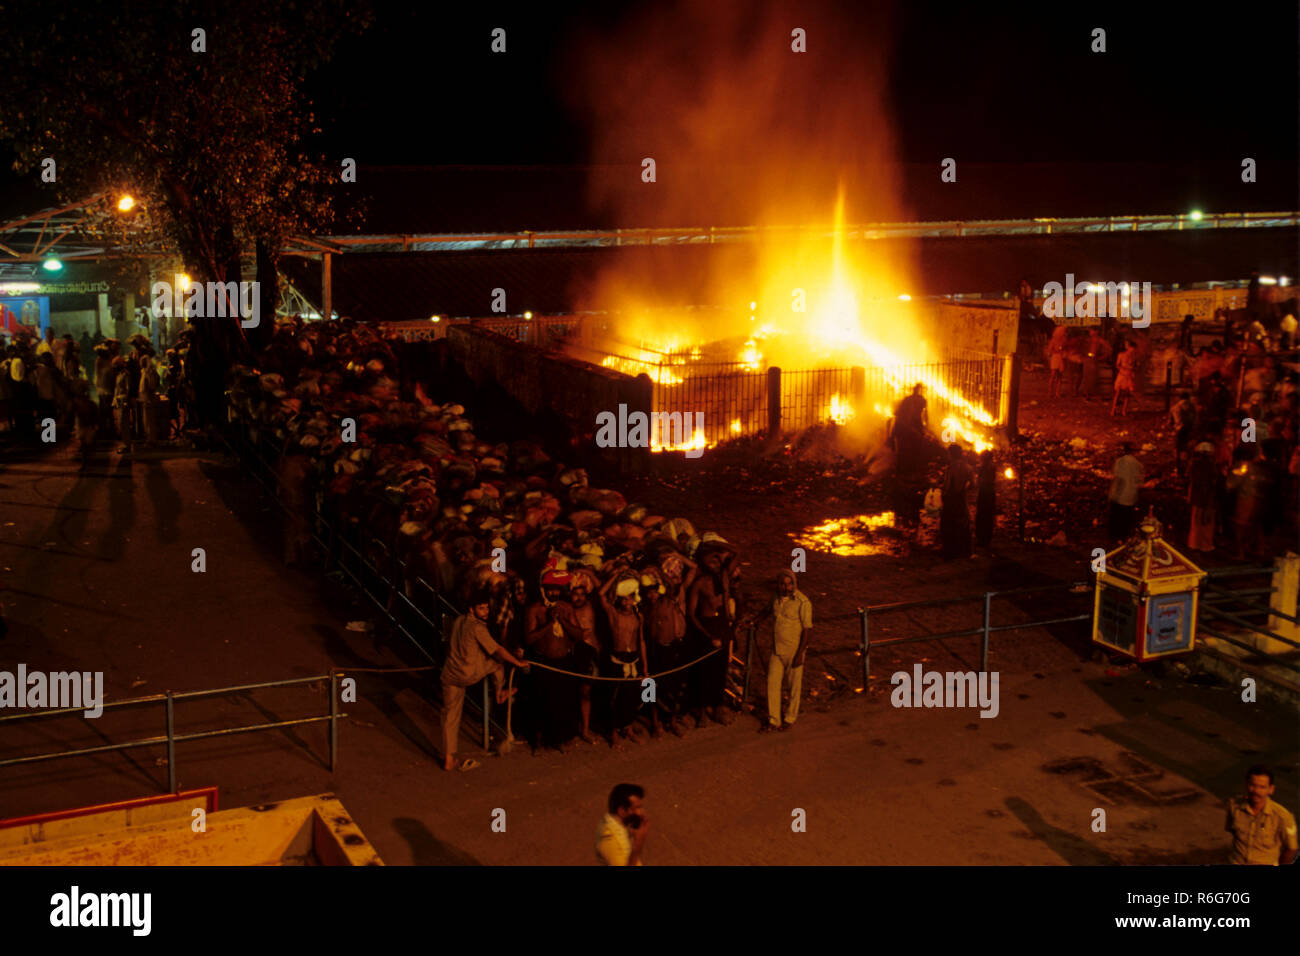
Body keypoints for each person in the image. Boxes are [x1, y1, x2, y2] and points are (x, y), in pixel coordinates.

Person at [440, 590, 529, 772]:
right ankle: (499, 693)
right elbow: (498, 650)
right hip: (467, 673)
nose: (486, 611)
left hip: (449, 673)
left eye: (487, 607)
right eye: (482, 608)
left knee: (450, 716)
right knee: (498, 663)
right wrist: (518, 662)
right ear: (472, 610)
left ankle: (449, 759)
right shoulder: (478, 628)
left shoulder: (458, 621)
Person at [749, 570, 813, 733]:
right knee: (772, 683)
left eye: (789, 584)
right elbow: (767, 610)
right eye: (783, 584)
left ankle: (790, 718)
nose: (786, 587)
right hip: (777, 649)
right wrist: (754, 622)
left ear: (794, 584)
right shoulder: (775, 598)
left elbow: (807, 630)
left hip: (794, 650)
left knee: (794, 688)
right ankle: (774, 720)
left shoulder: (802, 602)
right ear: (778, 585)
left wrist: (800, 653)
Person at [687, 544, 736, 726]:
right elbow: (692, 614)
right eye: (711, 559)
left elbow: (734, 554)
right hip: (706, 629)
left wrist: (719, 549)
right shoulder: (699, 584)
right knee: (703, 673)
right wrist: (708, 636)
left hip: (721, 626)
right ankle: (701, 712)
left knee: (720, 671)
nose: (715, 562)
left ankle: (717, 707)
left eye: (717, 559)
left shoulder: (722, 579)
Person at [598, 572, 647, 747]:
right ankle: (613, 732)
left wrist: (645, 669)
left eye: (630, 599)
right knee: (614, 697)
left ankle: (628, 728)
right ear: (619, 600)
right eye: (624, 599)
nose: (627, 603)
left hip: (634, 658)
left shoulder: (638, 616)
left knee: (632, 697)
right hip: (617, 659)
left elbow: (641, 641)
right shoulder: (613, 613)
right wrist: (616, 576)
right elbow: (601, 594)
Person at [1224, 765, 1297, 865]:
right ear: (1246, 784)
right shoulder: (1234, 806)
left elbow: (1291, 848)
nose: (1256, 791)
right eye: (1253, 785)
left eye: (1262, 787)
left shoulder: (1282, 816)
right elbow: (1231, 830)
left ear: (1271, 789)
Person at [595, 783, 648, 866]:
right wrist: (638, 844)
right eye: (637, 808)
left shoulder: (620, 828)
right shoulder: (610, 839)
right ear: (622, 811)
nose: (641, 812)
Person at [939, 443, 973, 559]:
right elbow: (972, 484)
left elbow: (947, 486)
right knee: (963, 523)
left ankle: (950, 551)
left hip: (952, 499)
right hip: (961, 498)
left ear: (951, 455)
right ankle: (964, 550)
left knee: (948, 524)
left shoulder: (951, 468)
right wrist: (963, 489)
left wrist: (943, 496)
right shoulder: (968, 467)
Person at [1185, 441, 1218, 553]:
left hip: (1198, 498)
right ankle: (1205, 545)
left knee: (1197, 522)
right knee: (1206, 523)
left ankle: (1195, 543)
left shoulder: (1195, 464)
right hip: (1206, 498)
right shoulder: (1211, 466)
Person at [1107, 443, 1144, 542]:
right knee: (1126, 521)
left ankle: (1115, 538)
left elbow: (1117, 478)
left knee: (1116, 520)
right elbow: (1140, 482)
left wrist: (1112, 494)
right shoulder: (1138, 465)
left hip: (1118, 496)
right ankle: (1124, 538)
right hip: (1130, 498)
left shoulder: (1119, 462)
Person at [1169, 391, 1198, 476]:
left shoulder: (1175, 407)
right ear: (1188, 398)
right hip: (1190, 431)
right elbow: (1196, 420)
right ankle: (1188, 471)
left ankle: (1178, 470)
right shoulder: (1192, 407)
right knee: (1189, 450)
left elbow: (1170, 422)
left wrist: (1175, 425)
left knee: (1178, 450)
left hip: (1179, 431)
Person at [974, 450, 996, 550]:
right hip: (990, 493)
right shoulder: (992, 466)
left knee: (982, 515)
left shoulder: (984, 467)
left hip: (984, 493)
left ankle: (982, 539)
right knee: (988, 515)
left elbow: (981, 480)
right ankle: (986, 539)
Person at [1111, 339, 1138, 417]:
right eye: (1132, 348)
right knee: (1118, 393)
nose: (1133, 350)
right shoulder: (1121, 355)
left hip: (1129, 375)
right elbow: (1117, 365)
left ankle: (1124, 411)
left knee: (1127, 394)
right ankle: (1113, 410)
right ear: (1129, 348)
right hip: (1122, 375)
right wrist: (1121, 368)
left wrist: (1133, 368)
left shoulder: (1134, 357)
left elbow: (1136, 366)